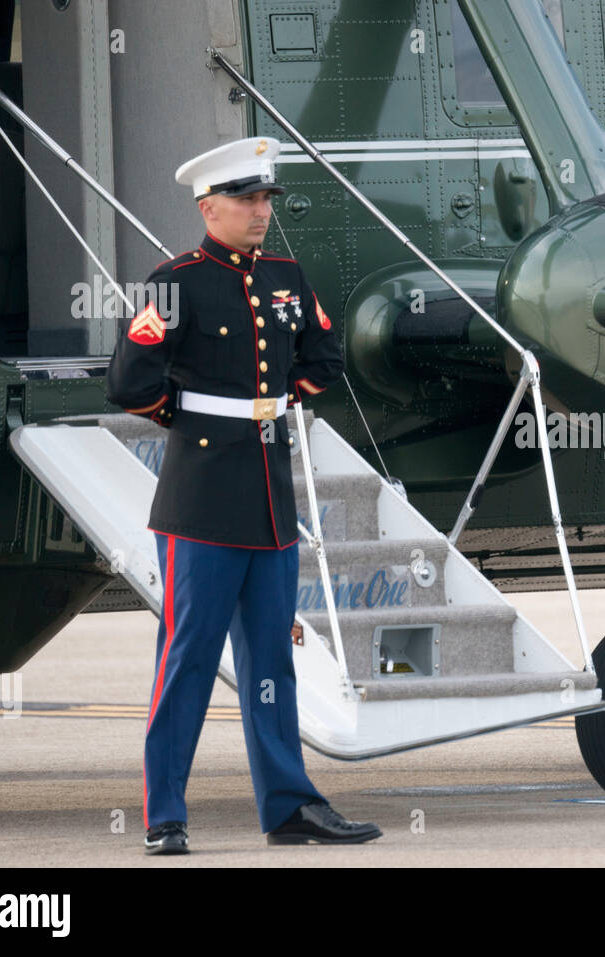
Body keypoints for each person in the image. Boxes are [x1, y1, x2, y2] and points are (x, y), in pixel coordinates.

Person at [106, 137, 382, 852]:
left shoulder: (287, 274)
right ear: (209, 207)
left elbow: (323, 357)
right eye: (248, 199)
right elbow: (131, 380)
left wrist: (273, 404)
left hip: (270, 497)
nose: (263, 211)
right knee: (189, 654)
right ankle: (165, 812)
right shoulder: (177, 281)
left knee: (272, 656)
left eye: (266, 199)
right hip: (200, 496)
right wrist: (198, 417)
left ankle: (288, 805)